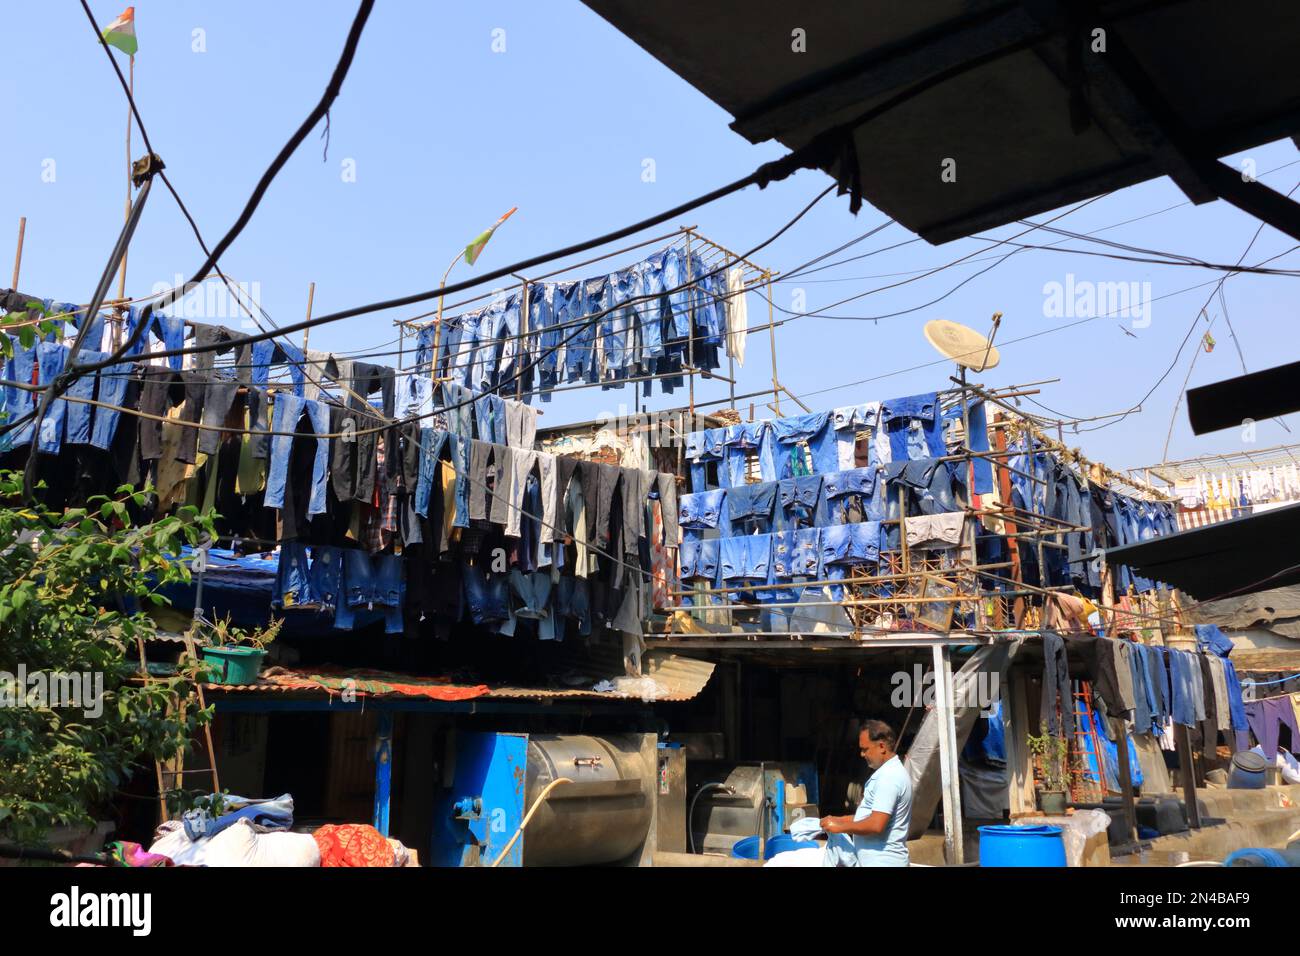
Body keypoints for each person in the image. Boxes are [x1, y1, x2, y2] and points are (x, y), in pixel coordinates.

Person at [820, 719, 912, 867]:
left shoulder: (889, 778)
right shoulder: (887, 773)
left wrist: (840, 828)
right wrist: (839, 820)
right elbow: (868, 816)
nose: (862, 754)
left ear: (881, 746)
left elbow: (876, 824)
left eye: (865, 749)